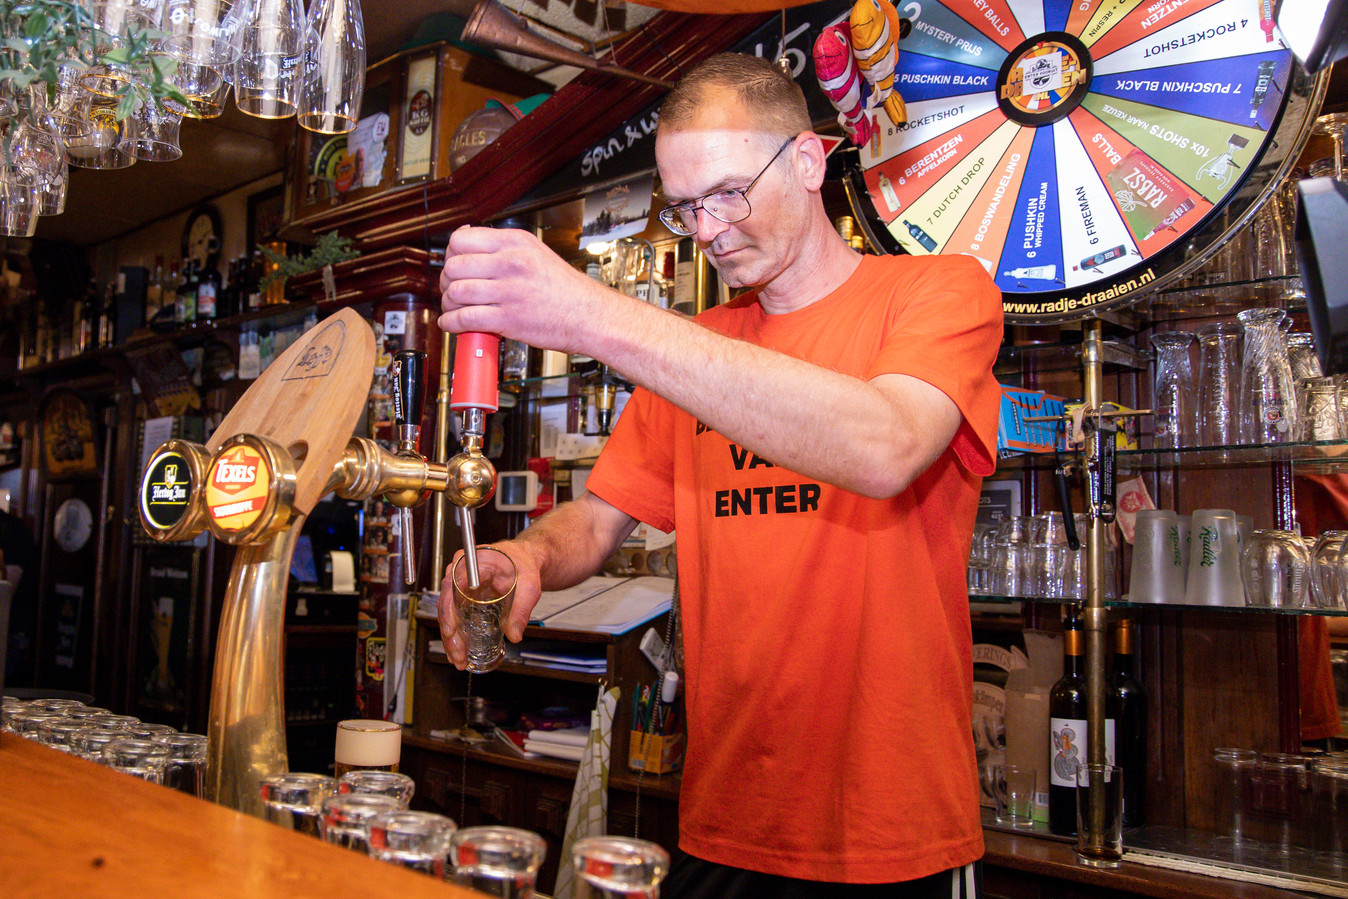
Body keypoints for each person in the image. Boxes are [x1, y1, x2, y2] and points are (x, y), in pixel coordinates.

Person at [437, 53, 1003, 897]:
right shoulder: (701, 346)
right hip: (724, 817)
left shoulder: (936, 293)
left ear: (810, 161)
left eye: (730, 192)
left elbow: (885, 445)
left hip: (891, 828)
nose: (707, 229)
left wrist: (594, 313)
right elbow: (597, 519)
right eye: (687, 206)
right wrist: (524, 558)